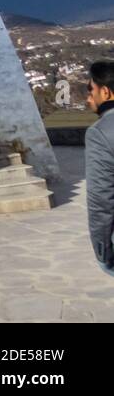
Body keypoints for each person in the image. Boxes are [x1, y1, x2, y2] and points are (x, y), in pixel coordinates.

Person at [85, 60, 114, 276]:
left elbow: (101, 199)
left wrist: (102, 250)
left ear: (105, 92)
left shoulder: (100, 133)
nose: (88, 98)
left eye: (90, 90)